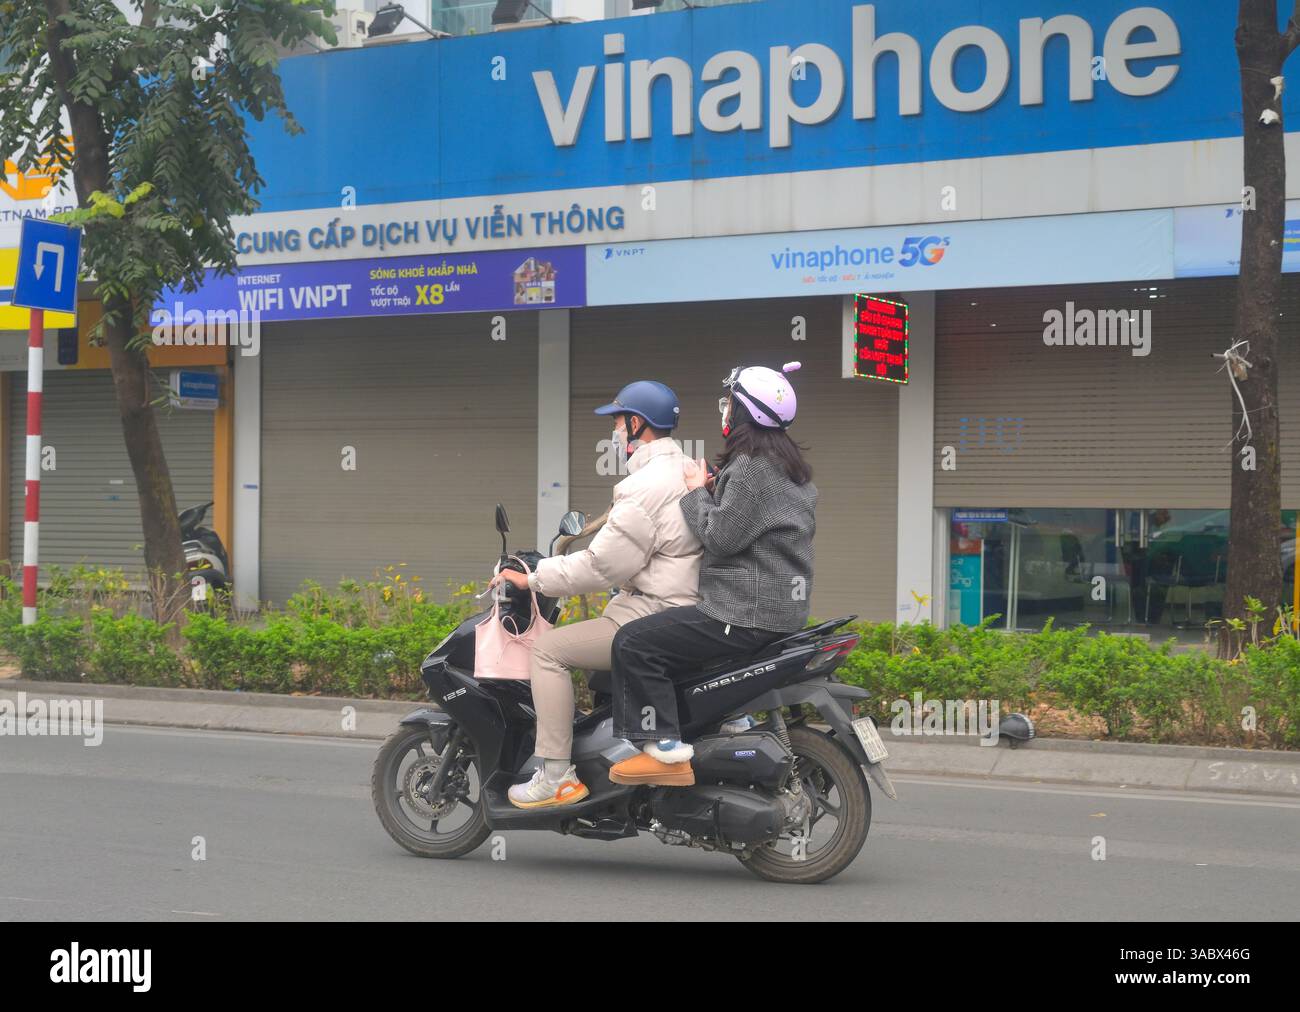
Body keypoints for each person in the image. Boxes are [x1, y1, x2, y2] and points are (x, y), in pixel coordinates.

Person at [490, 380, 702, 808]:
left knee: (549, 651)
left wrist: (532, 579)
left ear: (638, 424)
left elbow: (600, 566)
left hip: (649, 613)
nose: (616, 431)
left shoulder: (643, 488)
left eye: (620, 422)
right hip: (679, 609)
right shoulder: (683, 470)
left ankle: (555, 777)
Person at [608, 363, 817, 787]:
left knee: (634, 642)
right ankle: (729, 720)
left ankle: (662, 749)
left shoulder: (754, 467)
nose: (724, 410)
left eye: (729, 403)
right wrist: (711, 489)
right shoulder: (789, 469)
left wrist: (692, 492)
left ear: (746, 412)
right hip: (781, 612)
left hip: (742, 613)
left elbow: (720, 537)